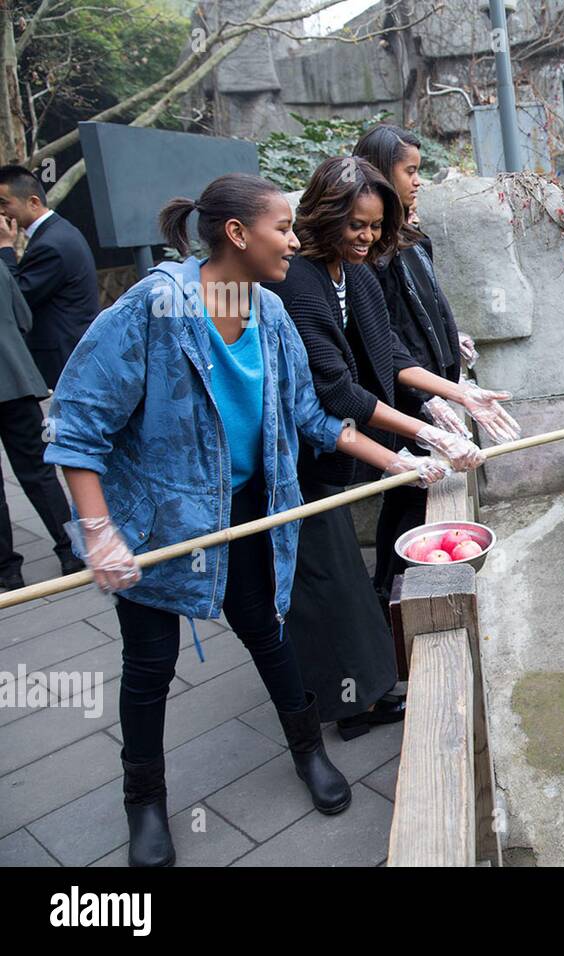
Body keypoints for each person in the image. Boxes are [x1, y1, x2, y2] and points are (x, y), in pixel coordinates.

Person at [43, 173, 444, 867]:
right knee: (149, 666)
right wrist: (99, 533)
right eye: (281, 228)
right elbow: (77, 425)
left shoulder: (272, 313)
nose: (294, 240)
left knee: (269, 632)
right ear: (237, 233)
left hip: (243, 513)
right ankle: (144, 802)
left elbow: (313, 417)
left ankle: (308, 753)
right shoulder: (156, 307)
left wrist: (402, 460)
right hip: (154, 523)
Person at [266, 156, 502, 739]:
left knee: (337, 578)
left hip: (333, 442)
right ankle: (342, 704)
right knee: (321, 582)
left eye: (375, 226)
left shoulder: (360, 274)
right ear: (325, 217)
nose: (368, 237)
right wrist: (423, 435)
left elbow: (390, 356)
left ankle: (358, 697)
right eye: (356, 225)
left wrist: (460, 395)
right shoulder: (300, 284)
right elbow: (336, 388)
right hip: (291, 456)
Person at [352, 124, 519, 609]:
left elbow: (425, 309)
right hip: (406, 402)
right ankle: (392, 593)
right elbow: (379, 343)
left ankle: (397, 590)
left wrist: (454, 342)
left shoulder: (409, 237)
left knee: (420, 499)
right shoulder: (370, 253)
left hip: (433, 388)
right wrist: (428, 397)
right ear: (381, 175)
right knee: (407, 498)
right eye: (410, 171)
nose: (418, 181)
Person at [0, 258, 83, 588]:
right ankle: (70, 551)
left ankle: (7, 571)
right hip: (14, 377)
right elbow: (24, 318)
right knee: (38, 470)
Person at [0, 165, 100, 390]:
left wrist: (5, 247)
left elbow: (15, 299)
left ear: (33, 202)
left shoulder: (51, 245)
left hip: (62, 360)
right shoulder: (57, 233)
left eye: (4, 203)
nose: (1, 212)